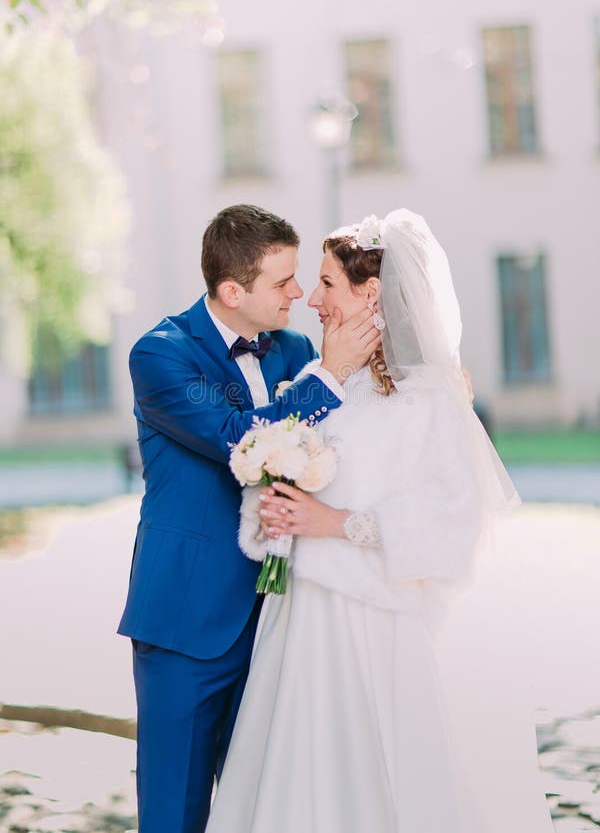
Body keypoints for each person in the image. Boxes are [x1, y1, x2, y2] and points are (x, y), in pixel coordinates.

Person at [205, 209, 554, 833]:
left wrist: (333, 522)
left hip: (380, 630)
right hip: (304, 626)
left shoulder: (433, 400)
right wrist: (277, 514)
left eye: (327, 284)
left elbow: (452, 524)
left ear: (372, 294)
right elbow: (266, 467)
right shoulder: (325, 385)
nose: (312, 300)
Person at [117, 204, 381, 833]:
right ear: (231, 291)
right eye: (283, 282)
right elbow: (243, 441)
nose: (298, 293)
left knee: (268, 805)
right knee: (175, 810)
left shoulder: (292, 348)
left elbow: (336, 438)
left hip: (284, 619)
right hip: (187, 618)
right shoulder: (159, 355)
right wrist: (335, 372)